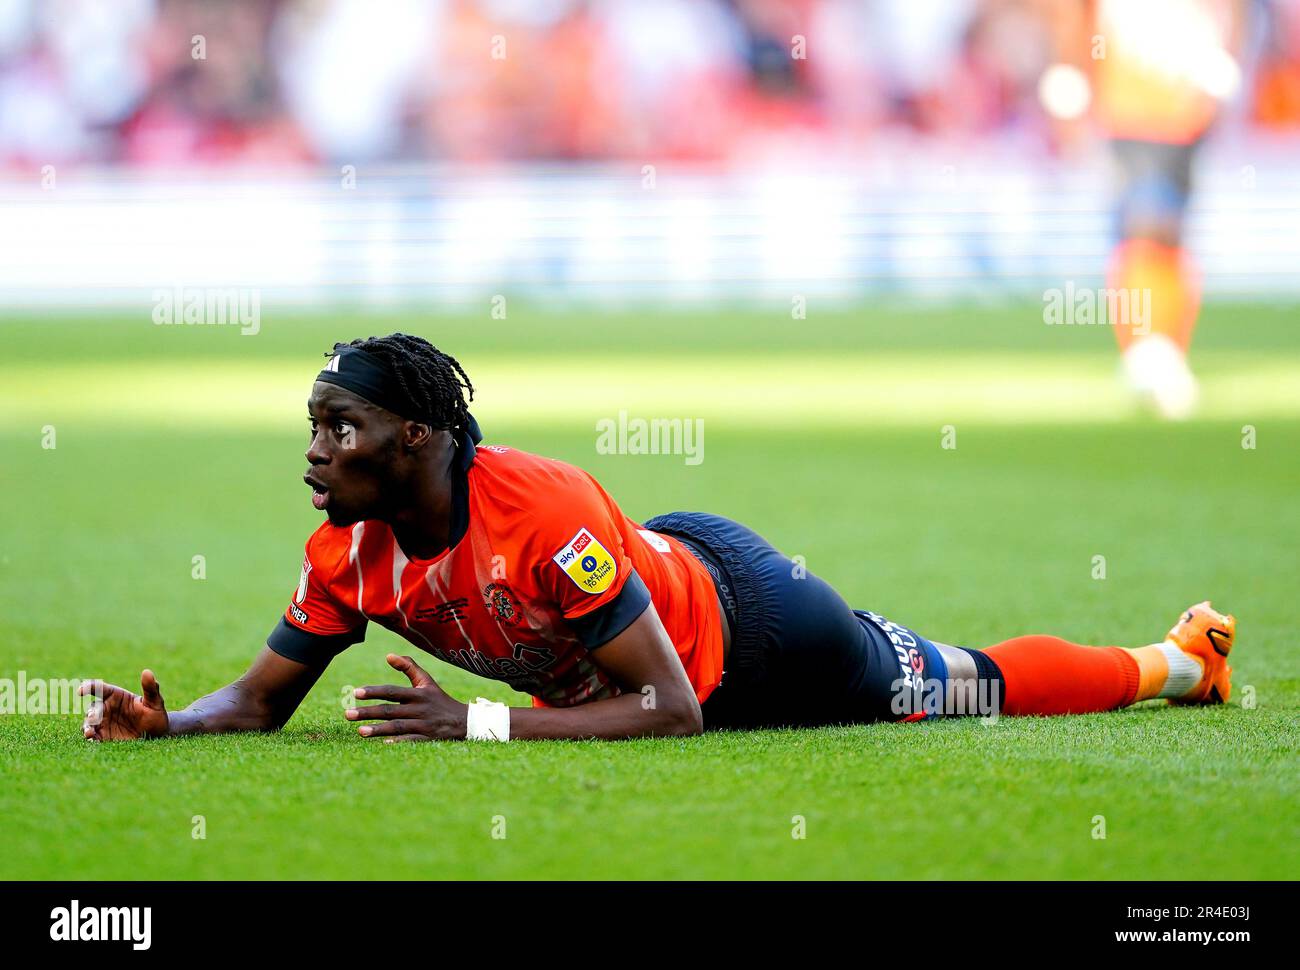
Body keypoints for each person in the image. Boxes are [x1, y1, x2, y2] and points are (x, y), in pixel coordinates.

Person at [80, 334, 1236, 742]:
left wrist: (475, 723)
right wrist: (168, 721)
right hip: (650, 600)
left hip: (750, 629)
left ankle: (1176, 662)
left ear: (421, 438)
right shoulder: (347, 551)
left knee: (960, 686)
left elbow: (673, 711)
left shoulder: (539, 512)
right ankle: (1173, 661)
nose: (319, 450)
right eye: (315, 426)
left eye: (346, 427)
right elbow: (261, 701)